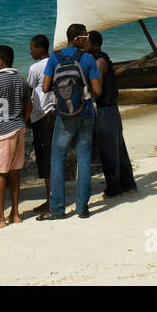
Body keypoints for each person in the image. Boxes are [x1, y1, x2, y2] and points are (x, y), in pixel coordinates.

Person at [38, 24, 102, 220]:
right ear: (77, 38)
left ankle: (57, 209)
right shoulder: (88, 58)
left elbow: (46, 87)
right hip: (86, 111)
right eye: (85, 36)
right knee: (84, 158)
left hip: (64, 114)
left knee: (57, 158)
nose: (87, 39)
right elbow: (98, 91)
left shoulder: (54, 58)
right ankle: (82, 208)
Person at [0, 44, 32, 228]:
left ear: (0, 60)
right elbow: (28, 105)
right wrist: (23, 121)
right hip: (18, 128)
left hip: (1, 131)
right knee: (14, 171)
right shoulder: (21, 80)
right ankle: (15, 213)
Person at [87, 30, 136, 198]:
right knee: (118, 148)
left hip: (105, 110)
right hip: (111, 110)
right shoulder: (102, 58)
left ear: (95, 45)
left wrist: (87, 94)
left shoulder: (99, 62)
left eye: (87, 43)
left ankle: (114, 188)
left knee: (109, 151)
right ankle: (128, 184)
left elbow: (97, 89)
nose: (84, 46)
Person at [25, 34, 56, 215]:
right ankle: (53, 197)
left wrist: (24, 117)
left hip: (41, 116)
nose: (30, 51)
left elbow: (28, 93)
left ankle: (50, 200)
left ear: (40, 49)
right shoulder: (55, 61)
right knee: (53, 157)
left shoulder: (35, 67)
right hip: (54, 113)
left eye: (32, 48)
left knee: (45, 161)